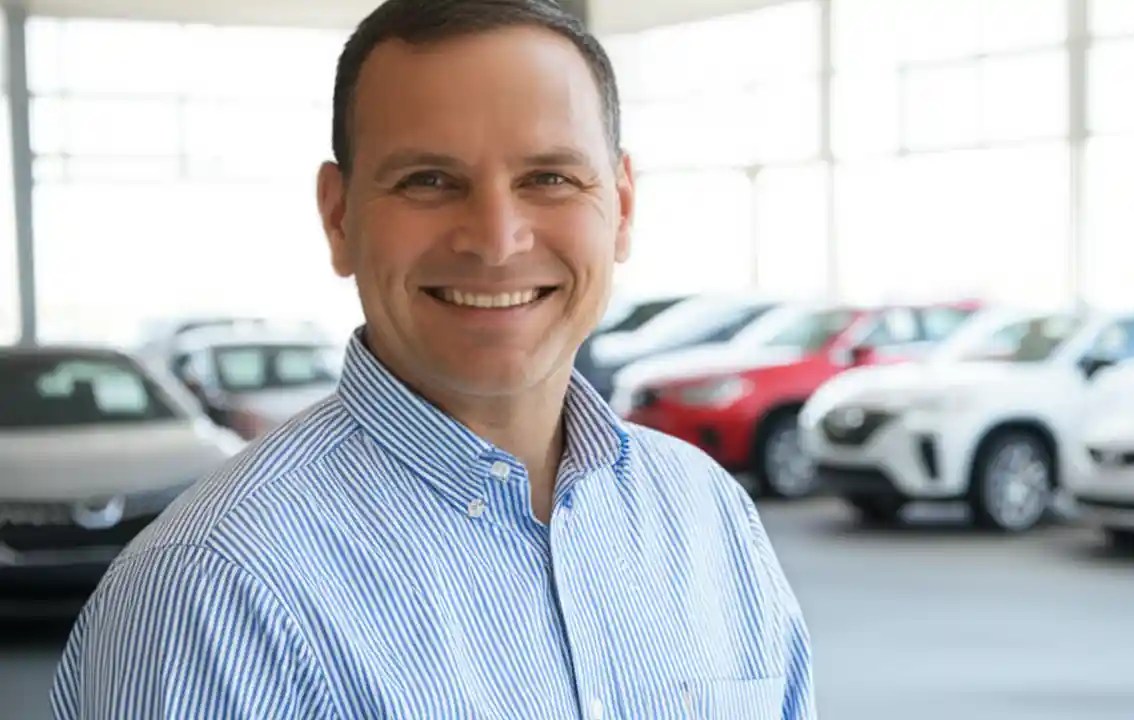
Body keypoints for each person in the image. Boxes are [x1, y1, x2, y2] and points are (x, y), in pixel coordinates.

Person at [50, 0, 815, 717]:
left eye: (549, 176)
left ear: (621, 206)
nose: (495, 236)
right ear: (338, 217)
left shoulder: (707, 516)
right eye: (428, 181)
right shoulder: (215, 591)